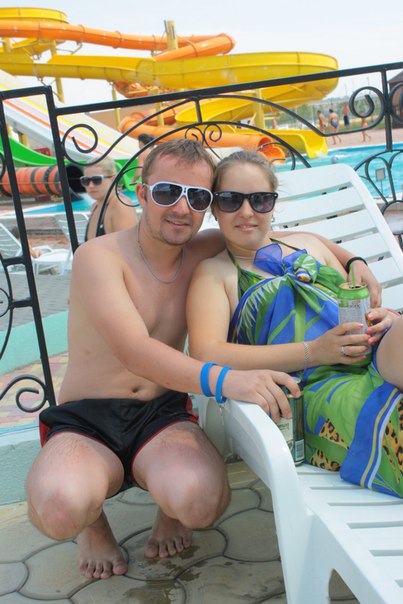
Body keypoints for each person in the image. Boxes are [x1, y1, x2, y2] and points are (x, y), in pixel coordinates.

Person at [24, 141, 381, 581]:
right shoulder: (99, 256)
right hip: (88, 417)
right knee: (61, 508)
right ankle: (92, 524)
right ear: (142, 192)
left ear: (207, 206)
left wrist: (355, 260)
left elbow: (294, 237)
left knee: (200, 504)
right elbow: (135, 351)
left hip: (160, 414)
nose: (181, 208)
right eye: (167, 192)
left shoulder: (203, 248)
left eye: (197, 197)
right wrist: (227, 380)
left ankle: (169, 508)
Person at [186, 150, 403, 499]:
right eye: (231, 200)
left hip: (371, 348)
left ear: (273, 204)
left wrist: (387, 317)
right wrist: (313, 351)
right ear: (214, 207)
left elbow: (356, 303)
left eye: (260, 200)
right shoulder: (215, 274)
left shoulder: (306, 243)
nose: (247, 212)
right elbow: (205, 353)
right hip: (313, 384)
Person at [82, 157, 138, 240]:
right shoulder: (95, 206)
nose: (90, 185)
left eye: (96, 180)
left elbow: (129, 245)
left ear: (113, 179)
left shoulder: (120, 206)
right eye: (86, 180)